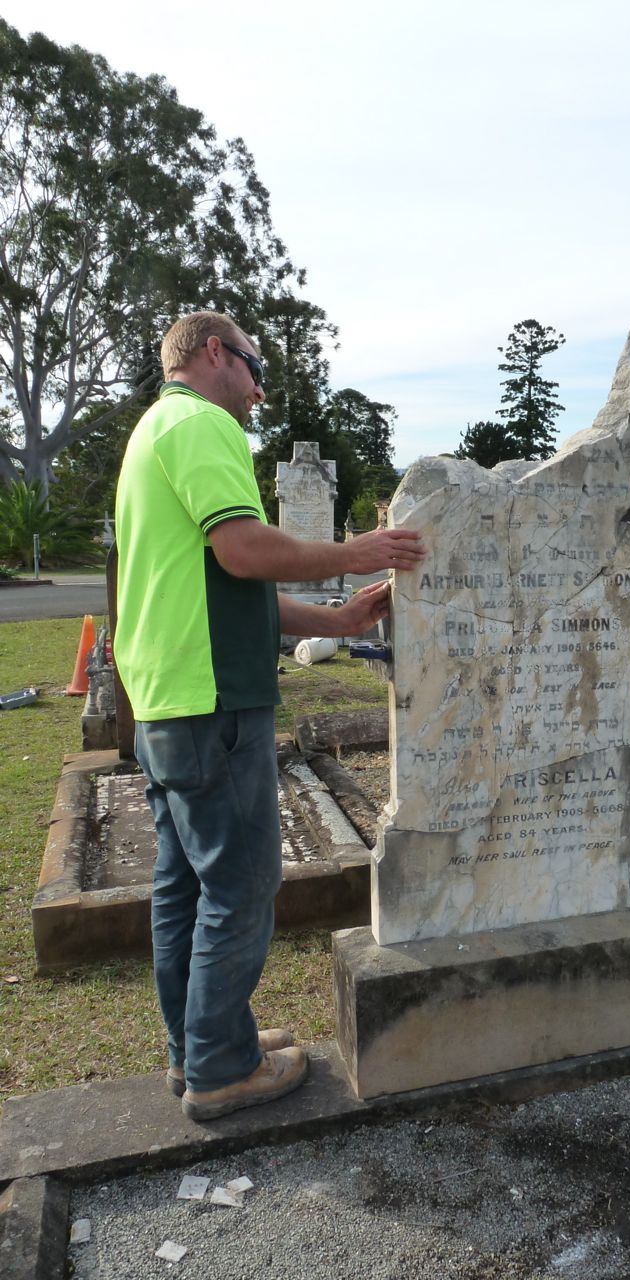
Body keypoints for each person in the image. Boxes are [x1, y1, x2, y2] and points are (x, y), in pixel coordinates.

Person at [113, 311, 424, 1121]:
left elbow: (227, 590)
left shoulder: (156, 430)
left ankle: (201, 1048)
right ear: (214, 352)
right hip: (211, 695)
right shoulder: (202, 421)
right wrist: (359, 552)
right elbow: (243, 551)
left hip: (168, 696)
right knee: (242, 882)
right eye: (254, 368)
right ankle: (221, 1067)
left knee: (184, 882)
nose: (258, 390)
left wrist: (341, 621)